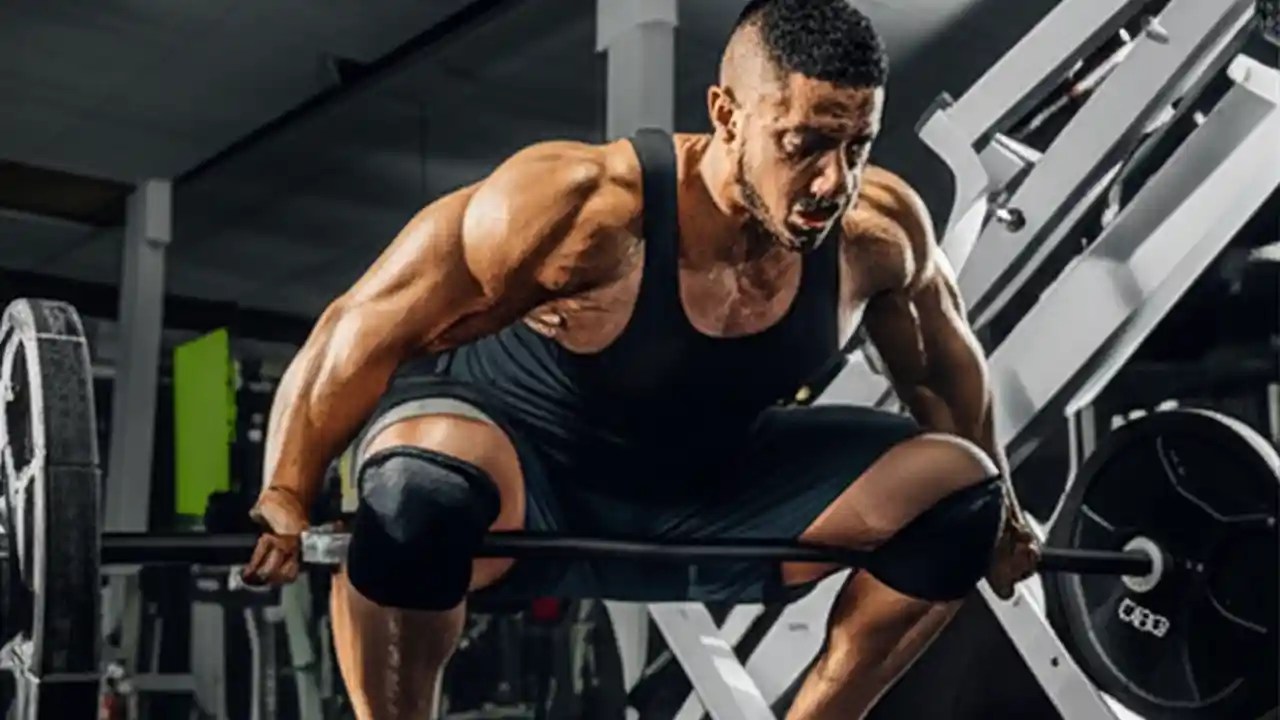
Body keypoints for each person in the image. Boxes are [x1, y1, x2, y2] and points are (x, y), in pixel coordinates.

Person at [244, 0, 1040, 717]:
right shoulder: (582, 207)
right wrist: (288, 484)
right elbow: (368, 322)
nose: (833, 180)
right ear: (727, 115)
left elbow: (942, 376)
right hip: (525, 472)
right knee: (416, 492)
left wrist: (1002, 521)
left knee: (962, 488)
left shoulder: (879, 231)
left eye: (856, 145)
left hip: (715, 483)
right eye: (803, 144)